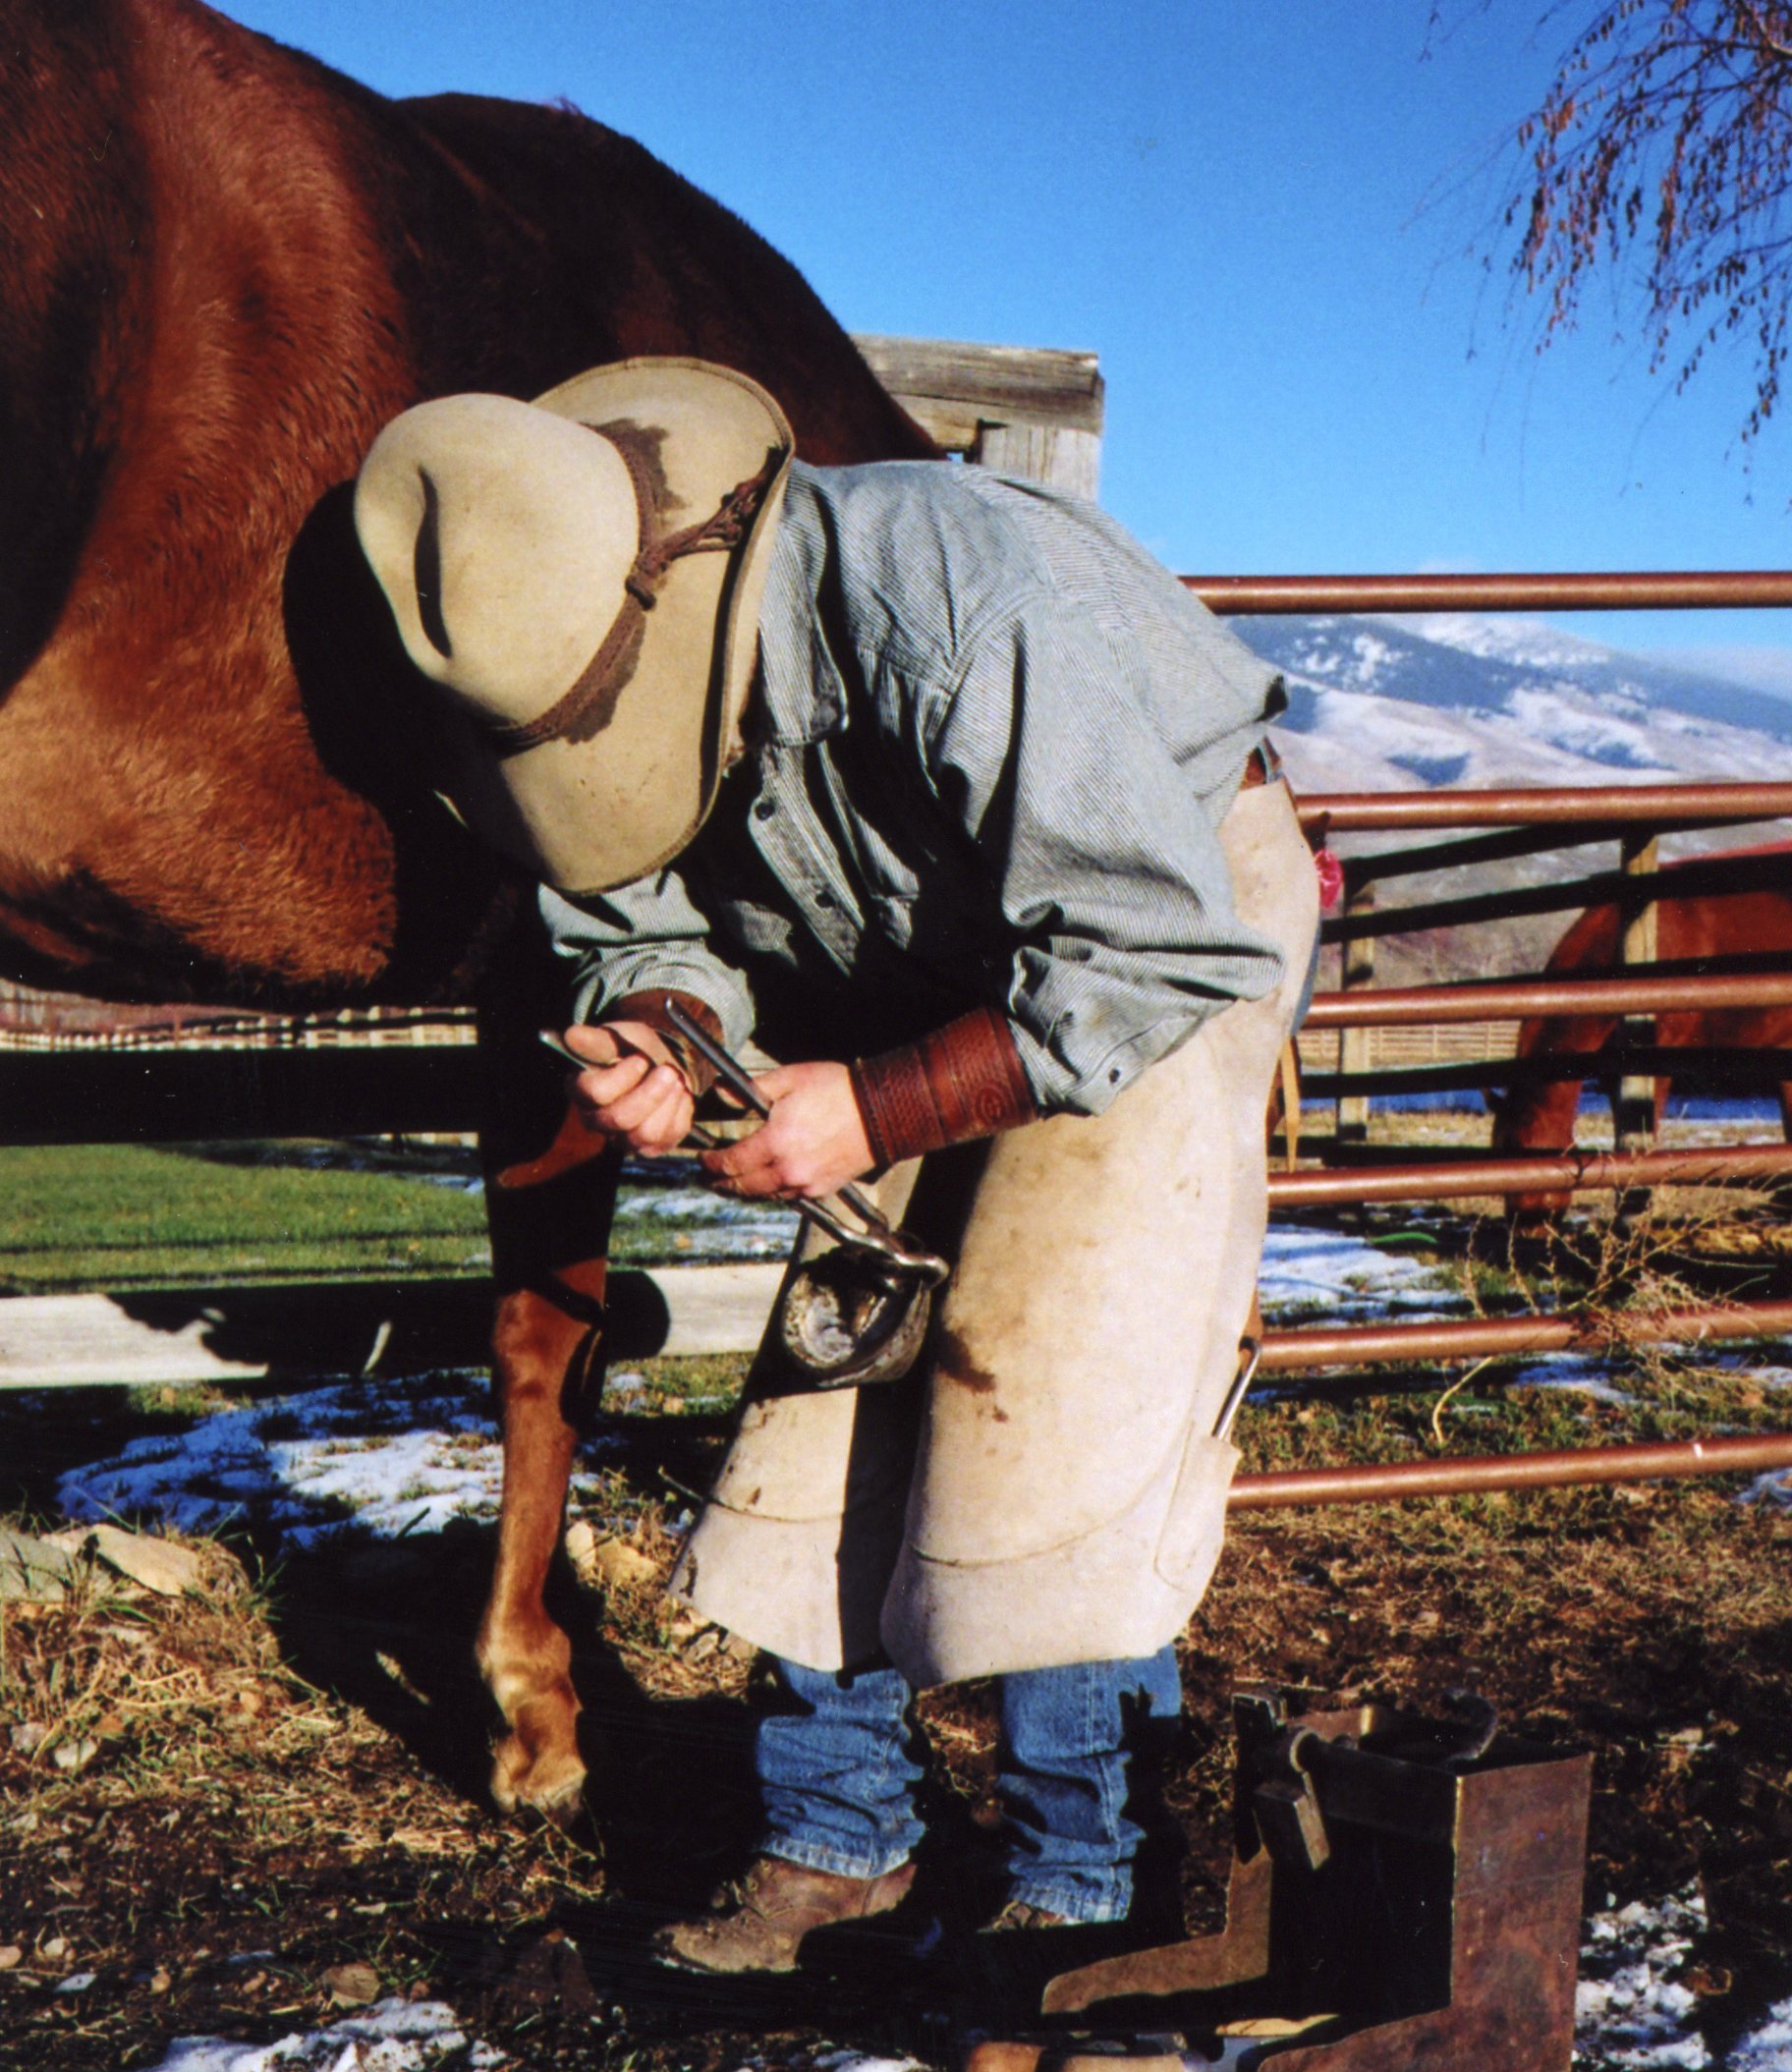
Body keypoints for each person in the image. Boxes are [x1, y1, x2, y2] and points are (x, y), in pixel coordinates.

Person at [355, 357, 1319, 1975]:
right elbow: (634, 914)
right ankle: (838, 1839)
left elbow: (1143, 952)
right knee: (836, 1372)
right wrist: (666, 1029)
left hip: (1152, 928)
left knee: (1061, 1374)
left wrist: (878, 1106)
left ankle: (1083, 1871)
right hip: (912, 953)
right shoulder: (573, 638)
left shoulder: (970, 604)